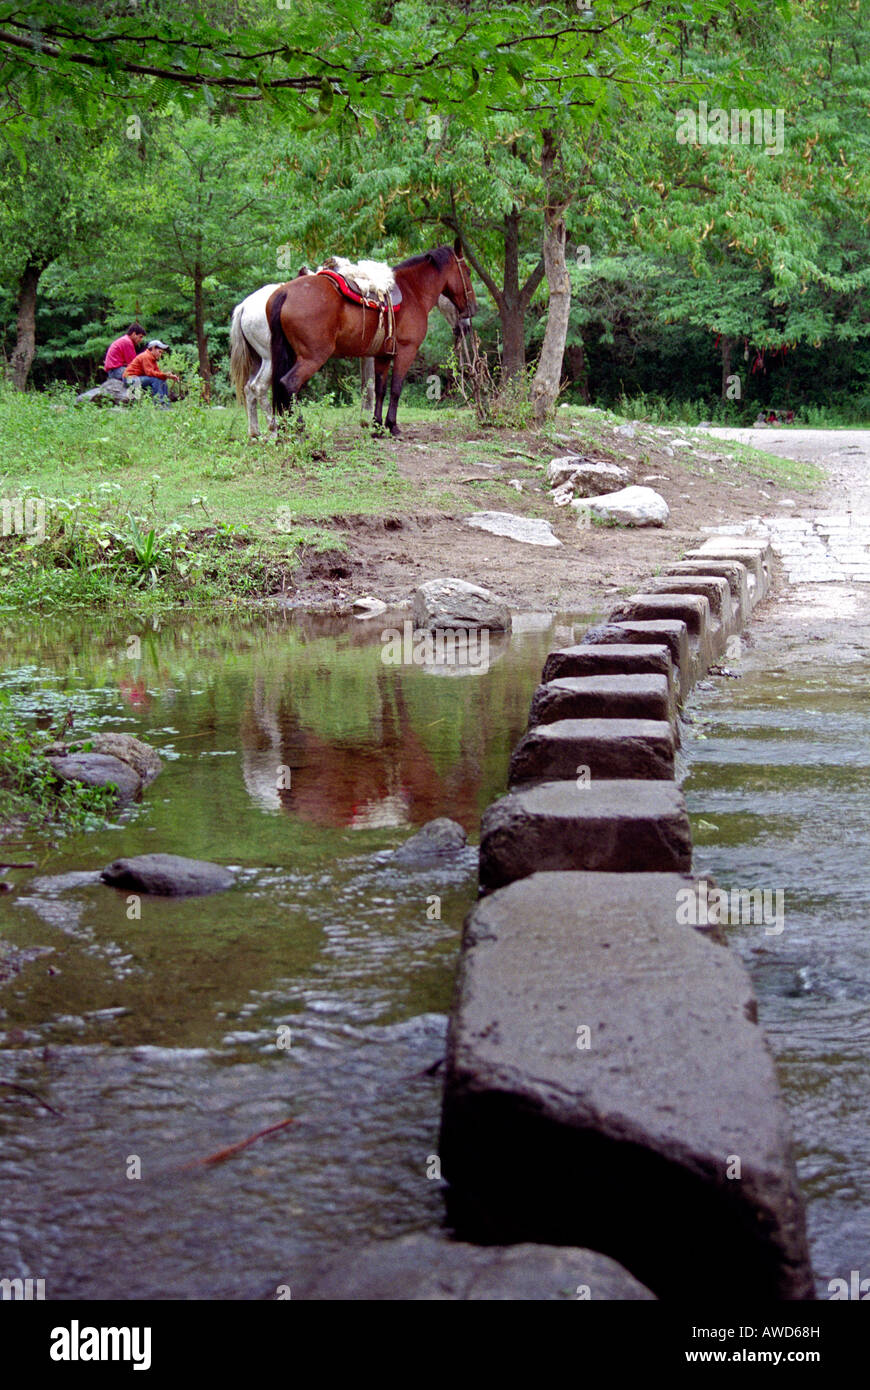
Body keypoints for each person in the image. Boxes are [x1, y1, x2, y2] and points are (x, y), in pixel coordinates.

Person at [123, 339, 179, 405]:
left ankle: (166, 404)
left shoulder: (152, 359)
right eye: (159, 352)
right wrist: (165, 375)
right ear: (153, 348)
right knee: (156, 380)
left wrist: (169, 376)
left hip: (138, 378)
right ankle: (159, 404)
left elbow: (158, 373)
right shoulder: (146, 356)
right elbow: (149, 373)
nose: (160, 355)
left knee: (162, 380)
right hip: (130, 379)